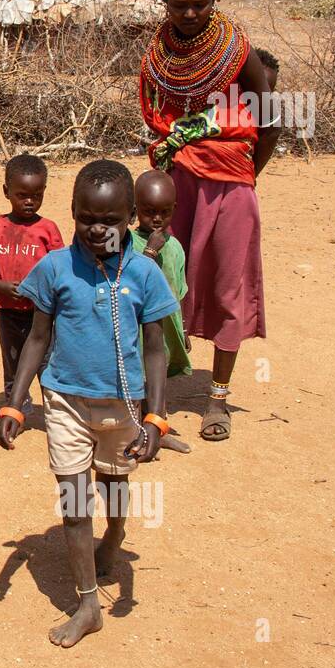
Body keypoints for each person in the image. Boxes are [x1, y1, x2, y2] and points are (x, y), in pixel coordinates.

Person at [0, 160, 176, 648]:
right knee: (76, 507)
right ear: (72, 212)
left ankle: (114, 536)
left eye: (112, 220)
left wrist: (157, 416)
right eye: (86, 218)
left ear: (130, 216)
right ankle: (88, 603)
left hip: (123, 406)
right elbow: (36, 339)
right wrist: (16, 403)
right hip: (65, 403)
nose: (98, 230)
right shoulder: (54, 267)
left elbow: (156, 349)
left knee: (113, 485)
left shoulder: (144, 273)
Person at [140, 0, 279, 442]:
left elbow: (269, 120)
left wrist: (243, 177)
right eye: (181, 5)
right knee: (157, 281)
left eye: (200, 4)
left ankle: (217, 396)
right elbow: (156, 117)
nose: (191, 13)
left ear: (214, 0)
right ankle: (152, 394)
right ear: (167, 2)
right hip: (177, 182)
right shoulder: (158, 54)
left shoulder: (238, 51)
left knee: (227, 288)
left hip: (231, 183)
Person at [0, 154, 64, 408]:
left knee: (47, 361)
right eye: (22, 195)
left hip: (41, 313)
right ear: (6, 191)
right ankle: (16, 407)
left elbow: (60, 268)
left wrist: (42, 291)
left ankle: (56, 409)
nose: (29, 201)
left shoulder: (49, 229)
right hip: (7, 312)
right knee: (12, 360)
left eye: (36, 195)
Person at [132, 169, 193, 454]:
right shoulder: (128, 244)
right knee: (136, 379)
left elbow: (179, 290)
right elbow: (132, 281)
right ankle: (134, 432)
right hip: (137, 326)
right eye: (148, 211)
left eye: (164, 212)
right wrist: (150, 253)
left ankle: (159, 427)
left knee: (158, 379)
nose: (156, 219)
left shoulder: (177, 247)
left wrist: (185, 328)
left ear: (174, 210)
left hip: (166, 324)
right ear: (134, 209)